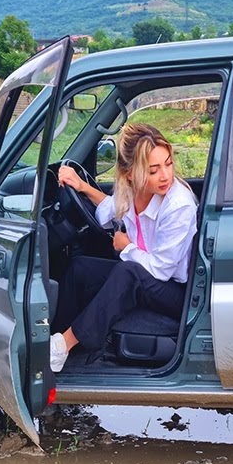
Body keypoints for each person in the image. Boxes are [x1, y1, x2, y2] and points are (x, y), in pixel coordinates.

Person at [50, 123, 198, 372]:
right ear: (131, 173)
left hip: (176, 291)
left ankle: (66, 344)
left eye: (168, 164)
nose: (165, 176)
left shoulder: (179, 205)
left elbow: (161, 270)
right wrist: (83, 187)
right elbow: (108, 209)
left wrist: (126, 247)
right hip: (149, 274)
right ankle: (53, 343)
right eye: (154, 170)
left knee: (126, 272)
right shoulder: (133, 191)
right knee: (81, 268)